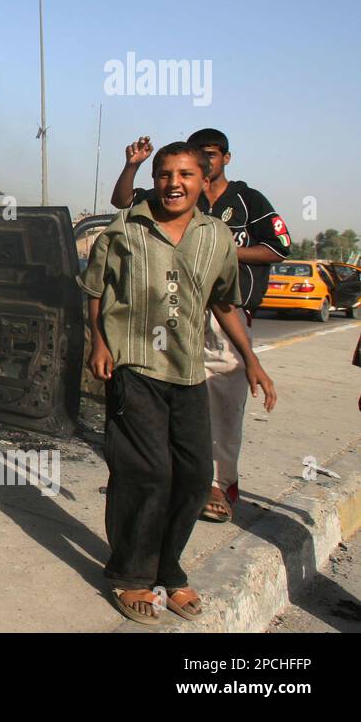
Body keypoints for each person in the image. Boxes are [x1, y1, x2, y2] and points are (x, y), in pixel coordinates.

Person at [82, 141, 276, 624]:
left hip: (188, 374)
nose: (174, 183)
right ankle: (132, 576)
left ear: (202, 178)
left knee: (192, 478)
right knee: (146, 475)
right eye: (165, 173)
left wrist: (250, 358)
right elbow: (96, 289)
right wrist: (99, 343)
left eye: (185, 174)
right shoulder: (126, 227)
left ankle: (168, 567)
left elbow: (224, 302)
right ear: (156, 177)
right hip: (135, 367)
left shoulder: (216, 237)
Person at [110, 129, 291, 522]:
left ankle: (219, 484)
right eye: (197, 155)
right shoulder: (171, 193)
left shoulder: (245, 201)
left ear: (226, 158)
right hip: (172, 310)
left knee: (225, 396)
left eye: (210, 155)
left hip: (224, 307)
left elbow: (279, 247)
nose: (203, 162)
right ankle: (177, 476)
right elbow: (122, 202)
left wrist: (218, 248)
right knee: (172, 394)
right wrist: (132, 165)